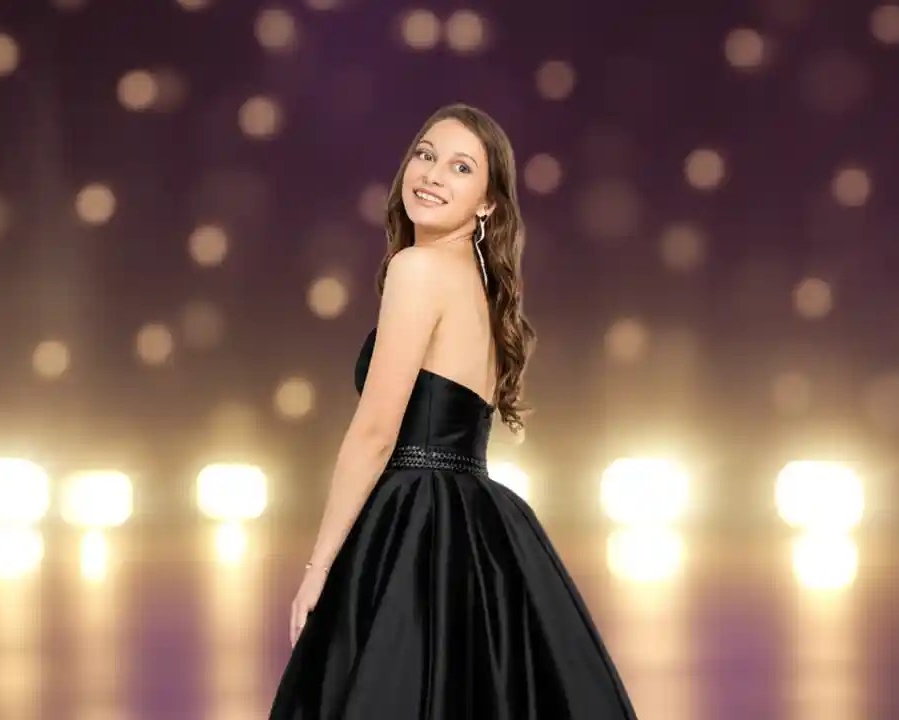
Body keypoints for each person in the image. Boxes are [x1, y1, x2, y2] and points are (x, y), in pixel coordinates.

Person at [269, 103, 639, 718]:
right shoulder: (481, 289)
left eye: (461, 167)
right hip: (480, 525)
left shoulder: (418, 271)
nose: (434, 174)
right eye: (426, 155)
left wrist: (319, 567)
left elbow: (375, 433)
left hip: (411, 521)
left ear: (489, 202)